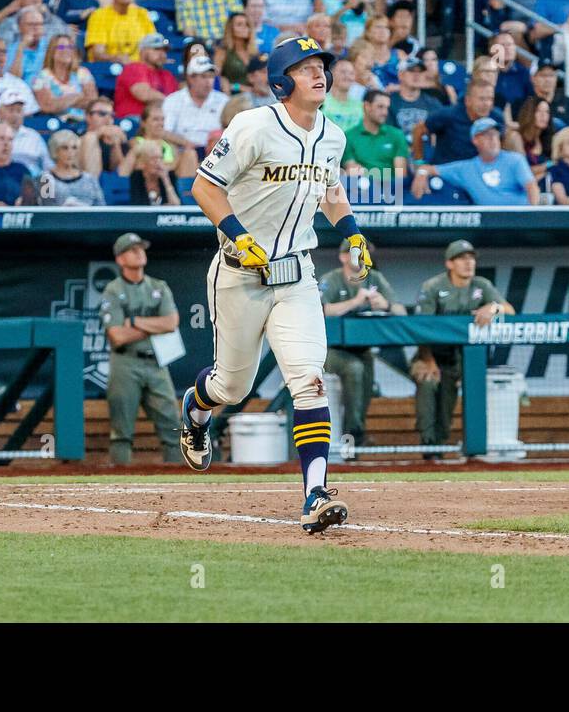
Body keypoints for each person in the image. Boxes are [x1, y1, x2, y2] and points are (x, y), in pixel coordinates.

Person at [184, 34, 371, 534]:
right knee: (232, 385)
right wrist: (237, 235)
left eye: (322, 67)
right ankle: (196, 408)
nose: (319, 74)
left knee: (309, 378)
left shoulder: (333, 133)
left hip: (297, 275)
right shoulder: (252, 125)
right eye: (307, 67)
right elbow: (204, 185)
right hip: (240, 275)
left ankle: (315, 493)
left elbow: (328, 188)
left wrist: (352, 231)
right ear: (283, 79)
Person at [411, 239, 513, 457]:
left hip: (459, 358)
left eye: (471, 258)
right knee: (428, 383)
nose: (469, 263)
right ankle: (428, 446)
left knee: (447, 404)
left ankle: (440, 444)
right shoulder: (433, 287)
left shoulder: (481, 285)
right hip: (429, 353)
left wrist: (493, 307)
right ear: (450, 263)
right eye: (462, 259)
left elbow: (509, 310)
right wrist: (428, 360)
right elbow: (420, 328)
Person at [98, 233, 180, 465]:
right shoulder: (113, 290)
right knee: (121, 432)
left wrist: (134, 323)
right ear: (120, 259)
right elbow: (117, 335)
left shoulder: (158, 286)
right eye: (132, 250)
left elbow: (171, 323)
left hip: (156, 361)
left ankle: (179, 485)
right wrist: (156, 325)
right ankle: (119, 487)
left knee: (173, 428)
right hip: (126, 362)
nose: (139, 252)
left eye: (141, 248)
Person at [320, 238, 405, 447]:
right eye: (355, 251)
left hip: (362, 348)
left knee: (365, 383)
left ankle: (355, 436)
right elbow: (321, 310)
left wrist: (384, 305)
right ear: (343, 256)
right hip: (330, 350)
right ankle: (353, 436)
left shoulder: (375, 278)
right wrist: (355, 302)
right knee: (354, 368)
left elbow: (400, 311)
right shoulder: (331, 279)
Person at [410, 117, 537, 205]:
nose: (493, 139)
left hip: (519, 219)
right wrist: (421, 174)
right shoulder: (466, 168)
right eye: (487, 135)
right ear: (475, 140)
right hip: (488, 226)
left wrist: (532, 217)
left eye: (495, 134)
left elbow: (531, 187)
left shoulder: (515, 160)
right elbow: (428, 169)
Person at [343, 89, 409, 186]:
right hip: (361, 189)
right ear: (367, 106)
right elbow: (351, 167)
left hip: (391, 190)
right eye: (380, 107)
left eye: (387, 108)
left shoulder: (397, 135)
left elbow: (400, 176)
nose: (385, 112)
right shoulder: (349, 136)